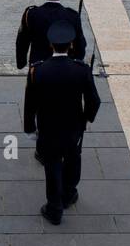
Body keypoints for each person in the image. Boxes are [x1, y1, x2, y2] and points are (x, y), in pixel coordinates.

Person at [24, 21, 101, 227]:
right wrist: (86, 117)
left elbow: (30, 103)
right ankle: (68, 193)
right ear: (71, 45)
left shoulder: (38, 71)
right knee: (73, 159)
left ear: (50, 45)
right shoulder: (81, 70)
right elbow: (94, 100)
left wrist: (30, 127)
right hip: (73, 126)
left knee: (52, 165)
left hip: (49, 128)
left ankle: (54, 207)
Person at [15, 0, 87, 68]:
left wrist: (21, 62)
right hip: (65, 68)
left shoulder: (31, 14)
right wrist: (76, 62)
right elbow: (80, 45)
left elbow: (22, 41)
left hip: (38, 69)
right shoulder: (72, 16)